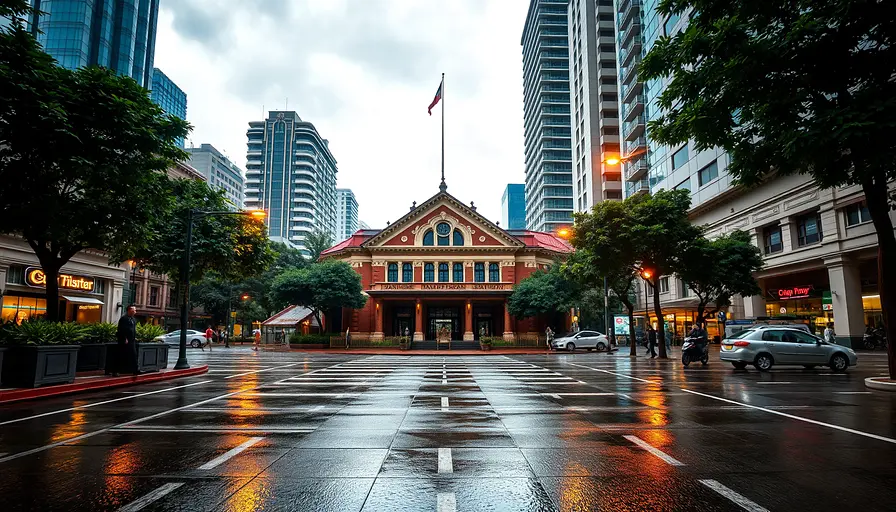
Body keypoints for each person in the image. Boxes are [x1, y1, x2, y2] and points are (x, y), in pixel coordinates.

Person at [114, 304, 139, 376]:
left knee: (133, 355)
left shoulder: (133, 320)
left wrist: (134, 337)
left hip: (132, 340)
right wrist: (124, 338)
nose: (135, 312)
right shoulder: (123, 319)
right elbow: (121, 330)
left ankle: (134, 370)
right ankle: (116, 371)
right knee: (121, 355)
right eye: (133, 310)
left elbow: (133, 329)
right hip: (124, 341)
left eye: (135, 310)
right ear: (129, 310)